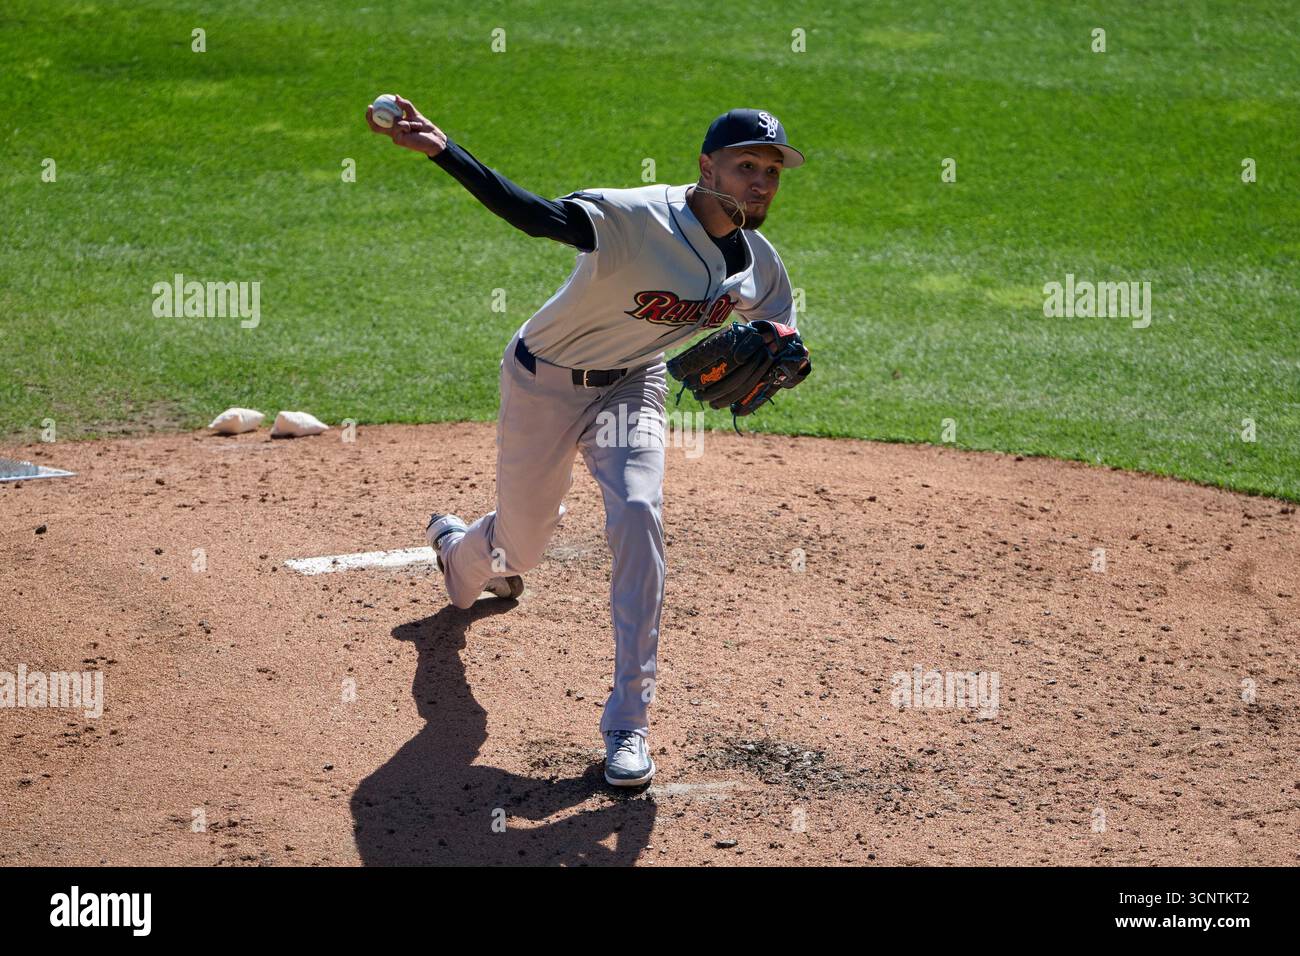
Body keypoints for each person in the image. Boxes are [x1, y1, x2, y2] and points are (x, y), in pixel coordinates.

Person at [366, 97, 805, 787]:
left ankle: (628, 723)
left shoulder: (759, 262)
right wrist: (446, 151)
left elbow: (783, 330)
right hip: (543, 381)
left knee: (637, 512)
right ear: (706, 165)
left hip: (634, 385)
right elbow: (536, 216)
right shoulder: (637, 216)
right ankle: (463, 554)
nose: (759, 183)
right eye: (745, 165)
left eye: (772, 171)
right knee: (523, 546)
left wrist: (789, 356)